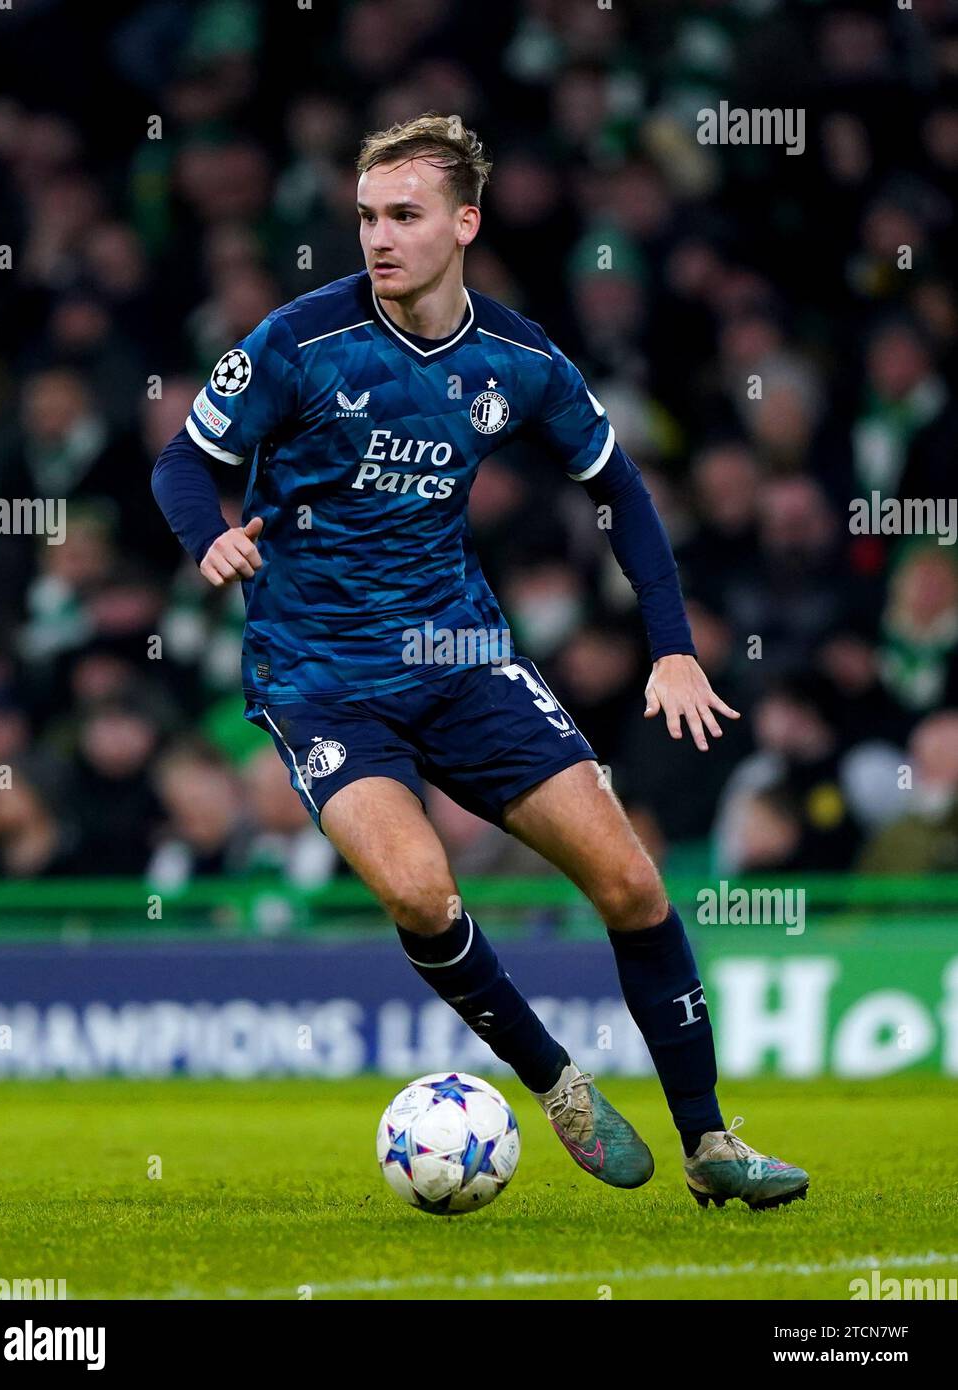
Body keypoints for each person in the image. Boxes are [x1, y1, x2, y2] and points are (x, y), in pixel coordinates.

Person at [152, 113, 807, 1210]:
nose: (377, 237)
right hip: (317, 674)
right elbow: (185, 460)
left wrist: (672, 651)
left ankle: (709, 1142)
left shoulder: (515, 359)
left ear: (464, 222)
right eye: (364, 216)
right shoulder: (297, 342)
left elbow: (621, 492)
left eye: (402, 215)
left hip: (458, 658)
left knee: (630, 881)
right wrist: (206, 536)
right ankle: (554, 1081)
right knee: (419, 891)